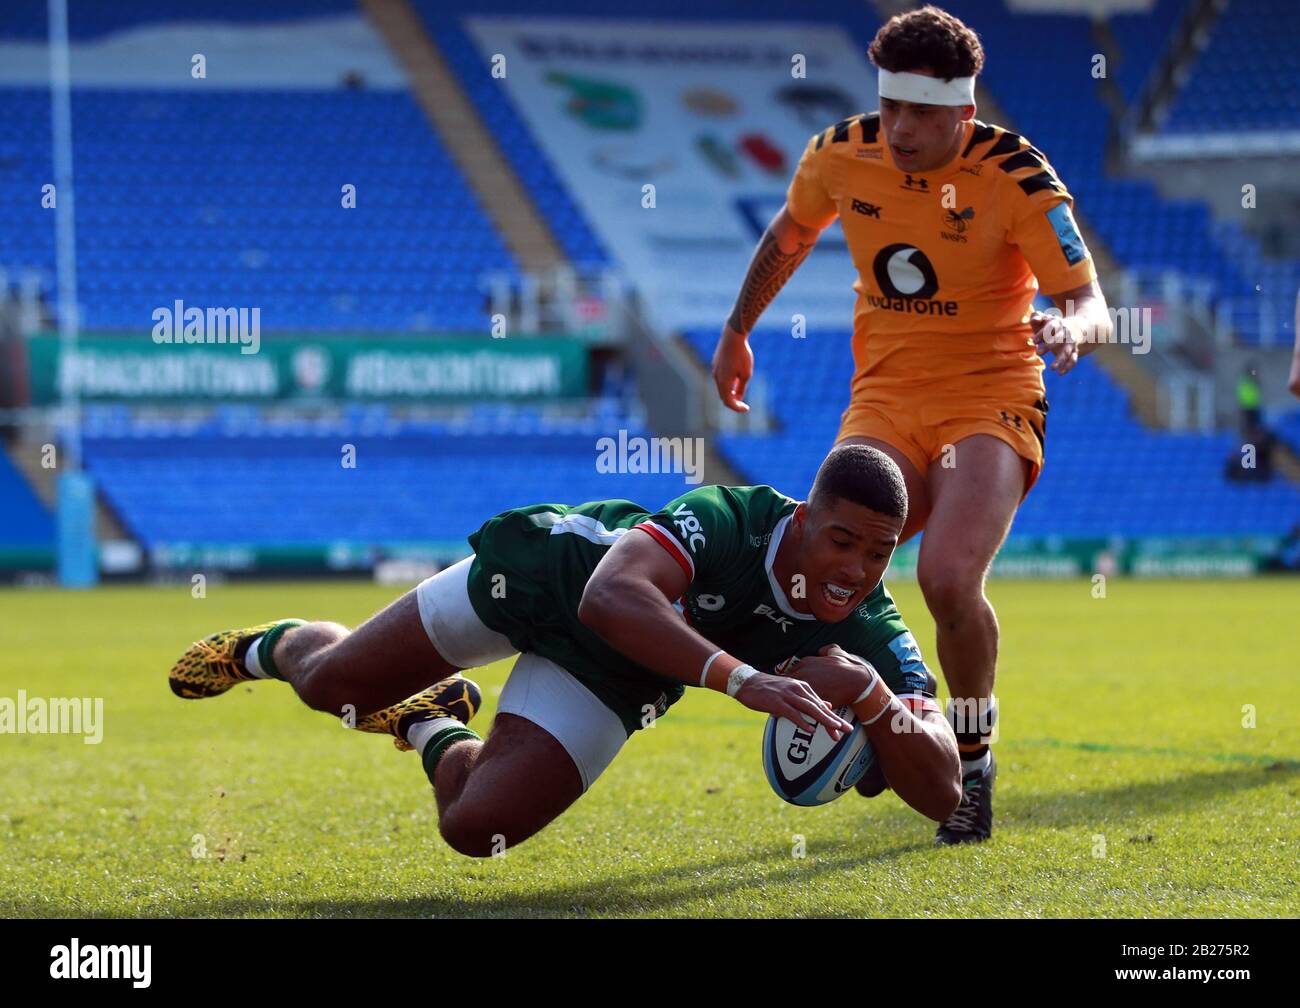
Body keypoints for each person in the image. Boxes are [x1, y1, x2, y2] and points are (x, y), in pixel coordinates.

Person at [710, 5, 1113, 843]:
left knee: (948, 580)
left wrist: (1071, 329)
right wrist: (738, 329)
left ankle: (970, 764)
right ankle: (876, 722)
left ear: (965, 114)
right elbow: (789, 236)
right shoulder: (839, 154)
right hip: (885, 397)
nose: (900, 128)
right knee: (821, 562)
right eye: (891, 106)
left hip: (989, 394)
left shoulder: (1017, 174)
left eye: (924, 114)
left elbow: (1088, 298)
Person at [169, 445, 960, 856]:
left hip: (618, 667)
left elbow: (944, 791)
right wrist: (741, 679)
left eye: (878, 551)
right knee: (332, 687)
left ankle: (430, 723)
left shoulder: (869, 626)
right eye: (841, 541)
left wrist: (874, 700)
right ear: (805, 516)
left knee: (477, 830)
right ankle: (269, 647)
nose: (854, 569)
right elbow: (611, 597)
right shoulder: (729, 516)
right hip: (553, 578)